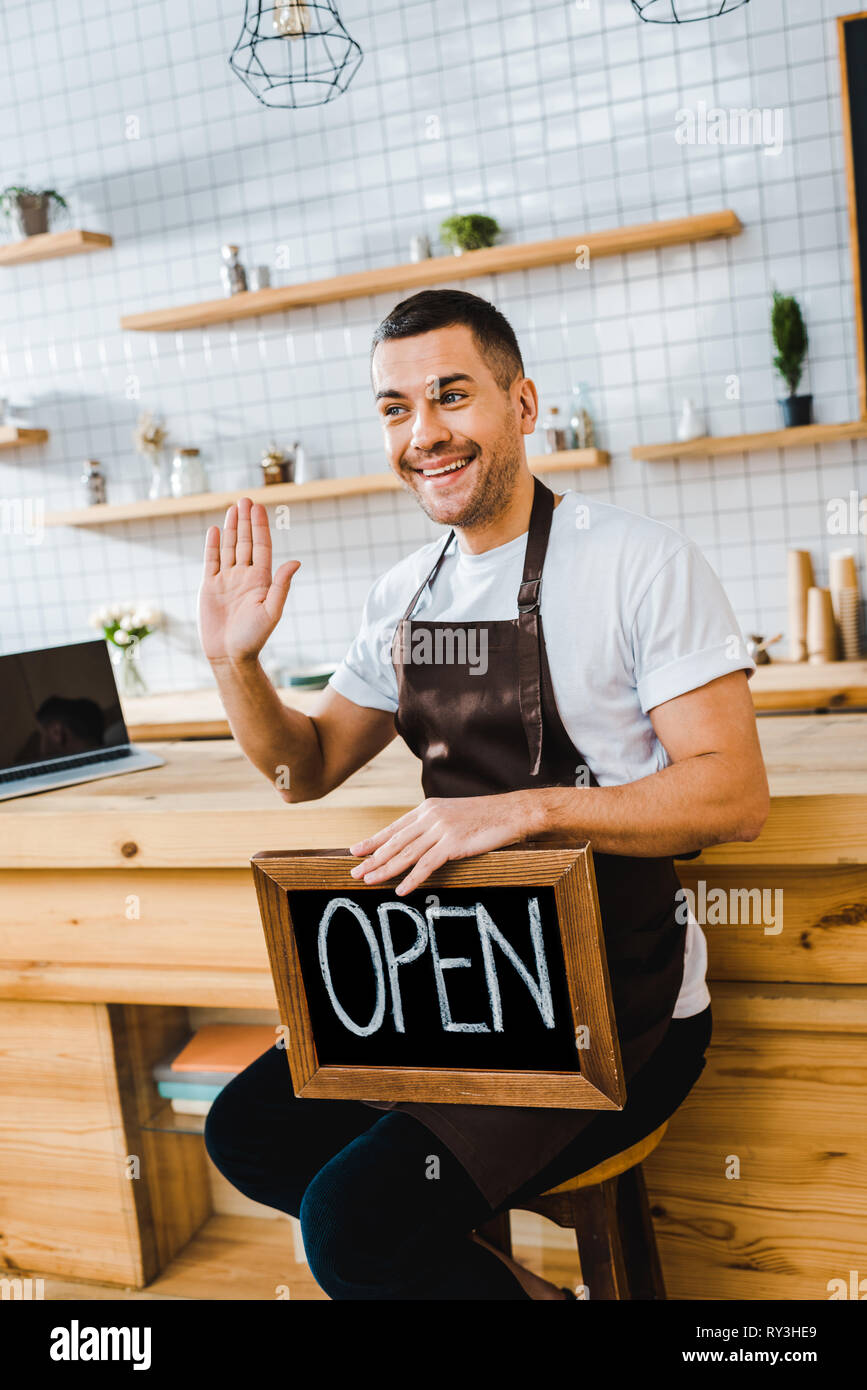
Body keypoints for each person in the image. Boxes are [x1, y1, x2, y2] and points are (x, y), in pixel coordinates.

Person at [197, 288, 769, 1300]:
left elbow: (733, 798)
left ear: (522, 402)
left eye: (452, 396)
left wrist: (528, 808)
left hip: (613, 1015)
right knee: (247, 1130)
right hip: (458, 991)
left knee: (352, 1221)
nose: (424, 434)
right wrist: (235, 664)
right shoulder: (406, 593)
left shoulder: (640, 563)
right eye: (394, 409)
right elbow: (304, 771)